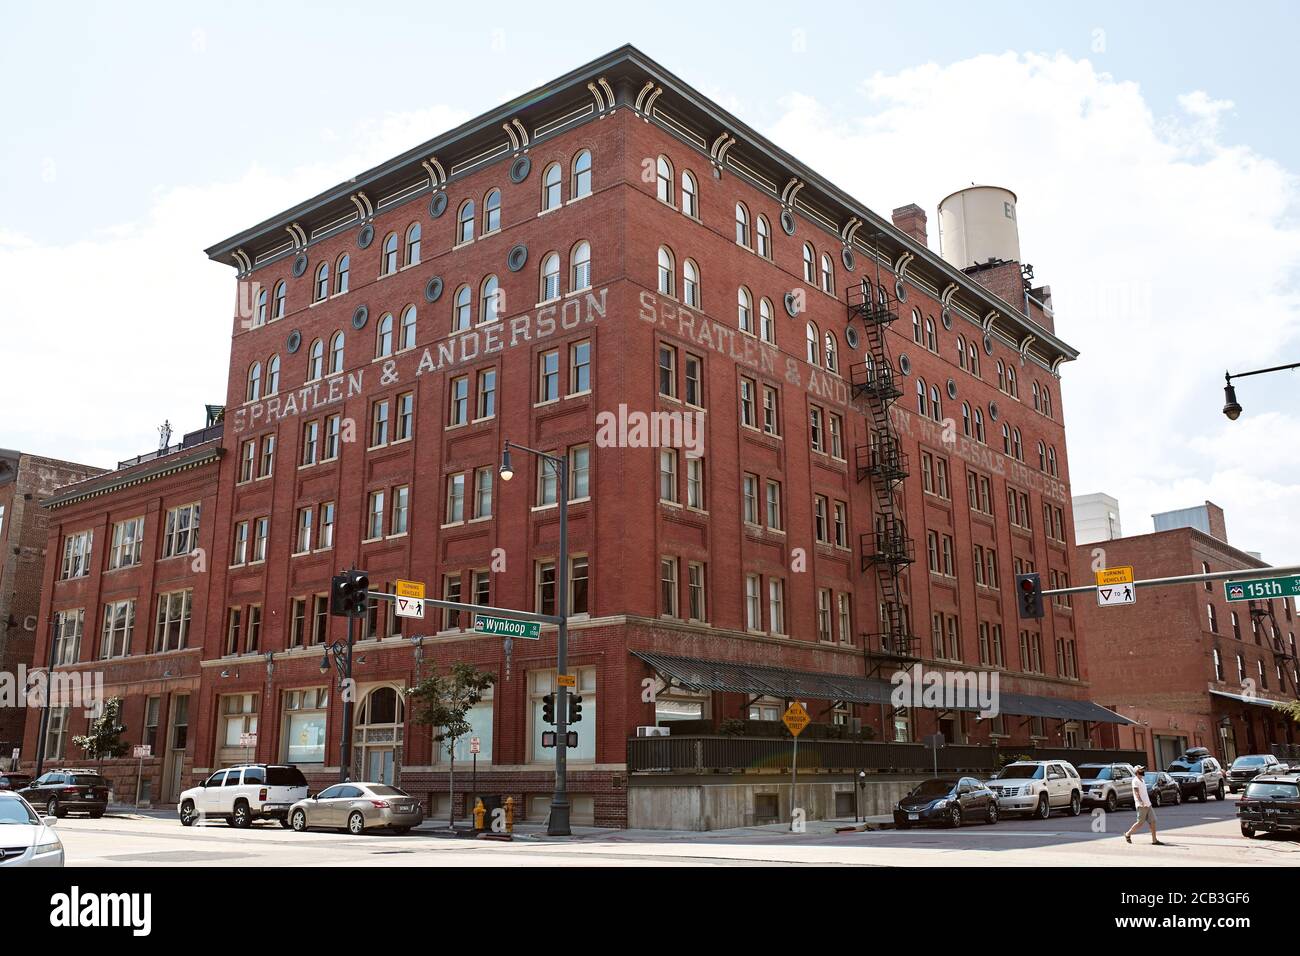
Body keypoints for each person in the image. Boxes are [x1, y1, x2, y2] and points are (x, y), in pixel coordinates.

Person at [1124, 766, 1165, 845]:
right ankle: (1128, 834)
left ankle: (1154, 840)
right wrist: (1141, 802)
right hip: (1141, 805)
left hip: (1148, 804)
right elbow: (1136, 793)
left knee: (1153, 821)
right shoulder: (1135, 781)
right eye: (1141, 770)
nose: (1143, 771)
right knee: (1140, 823)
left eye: (1143, 769)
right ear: (1137, 772)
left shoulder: (1142, 780)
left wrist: (1147, 802)